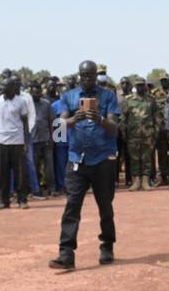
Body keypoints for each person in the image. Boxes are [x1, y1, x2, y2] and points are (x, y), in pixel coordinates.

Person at [49, 60, 120, 269]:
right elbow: (58, 131)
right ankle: (66, 253)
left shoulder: (108, 96)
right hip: (76, 160)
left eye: (90, 75)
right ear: (79, 76)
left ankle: (107, 245)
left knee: (105, 206)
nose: (87, 78)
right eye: (83, 75)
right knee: (72, 206)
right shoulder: (68, 97)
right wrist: (73, 119)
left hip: (102, 160)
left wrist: (99, 119)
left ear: (95, 76)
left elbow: (114, 128)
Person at [0, 75, 35, 210]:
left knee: (20, 173)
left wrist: (26, 141)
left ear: (12, 88)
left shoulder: (21, 101)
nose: (2, 88)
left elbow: (25, 122)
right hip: (1, 141)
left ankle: (22, 200)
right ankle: (4, 201)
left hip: (17, 141)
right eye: (2, 85)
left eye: (5, 86)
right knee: (2, 173)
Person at [120, 79, 163, 190]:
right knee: (134, 158)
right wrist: (123, 133)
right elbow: (123, 118)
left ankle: (145, 180)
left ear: (145, 86)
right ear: (135, 87)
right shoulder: (128, 101)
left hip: (148, 134)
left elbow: (157, 117)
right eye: (138, 85)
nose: (140, 88)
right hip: (133, 134)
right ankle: (136, 181)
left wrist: (156, 131)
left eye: (141, 85)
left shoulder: (151, 100)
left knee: (147, 158)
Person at [29, 82, 55, 198]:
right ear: (31, 92)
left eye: (39, 92)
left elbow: (51, 122)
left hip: (46, 138)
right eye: (34, 92)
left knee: (49, 165)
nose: (37, 94)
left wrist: (52, 137)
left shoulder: (46, 104)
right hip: (32, 140)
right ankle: (35, 189)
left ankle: (52, 188)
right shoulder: (27, 104)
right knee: (33, 165)